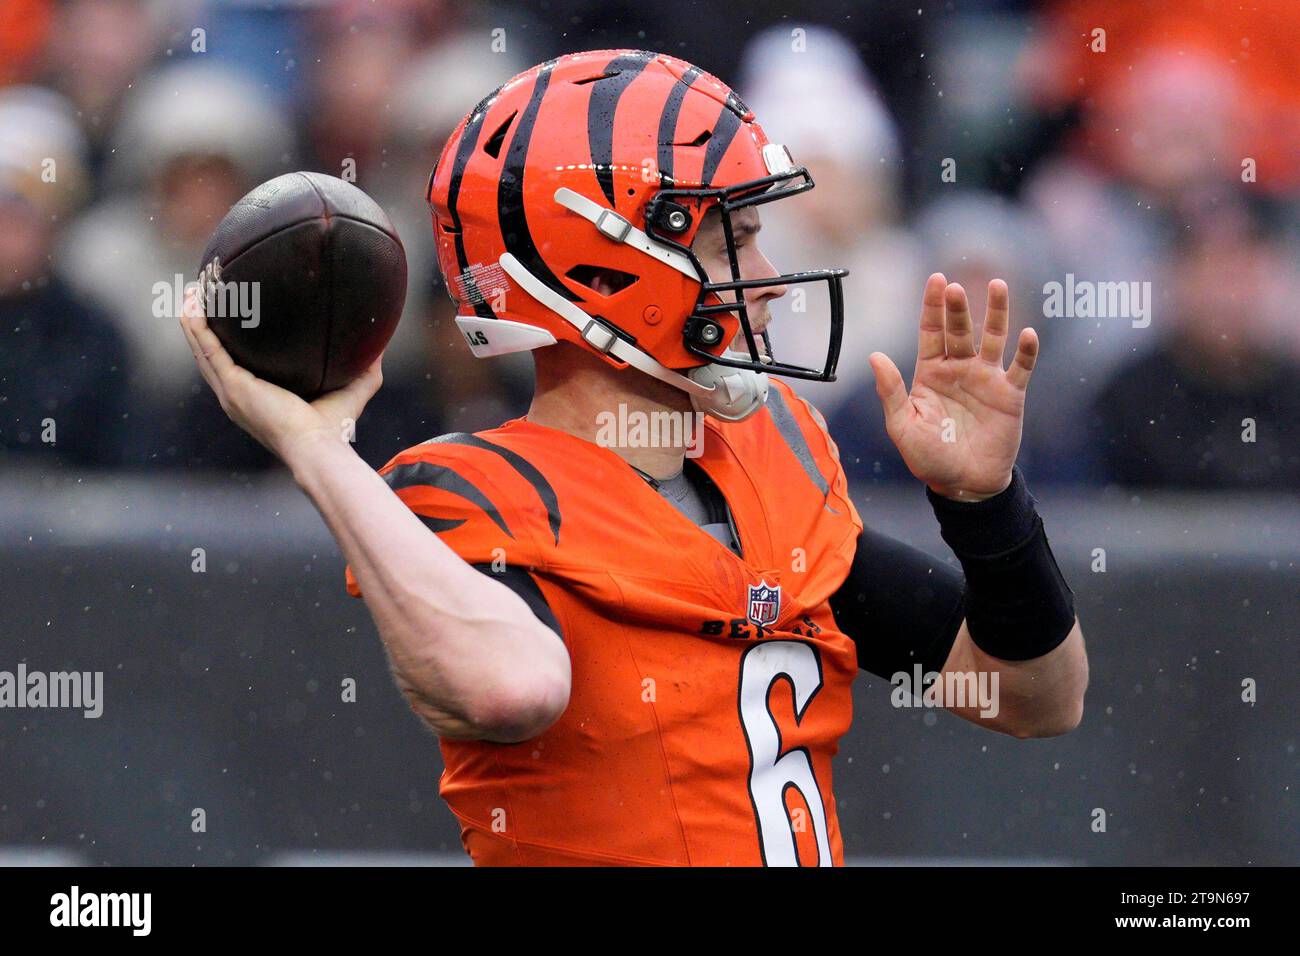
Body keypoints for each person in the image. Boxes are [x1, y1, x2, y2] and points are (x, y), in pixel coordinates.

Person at [181, 51, 1088, 866]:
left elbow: (1034, 699)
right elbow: (511, 689)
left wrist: (985, 505)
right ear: (603, 268)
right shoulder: (475, 488)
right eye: (732, 238)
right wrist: (314, 447)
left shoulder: (775, 452)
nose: (768, 274)